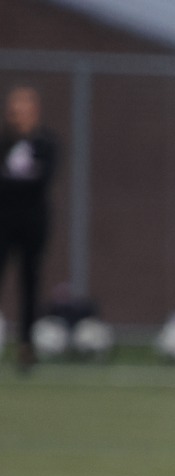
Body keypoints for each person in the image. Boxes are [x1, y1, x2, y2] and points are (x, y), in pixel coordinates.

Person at [0, 86, 58, 374]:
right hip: (3, 221)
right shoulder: (4, 142)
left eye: (23, 110)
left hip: (33, 222)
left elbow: (42, 180)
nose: (17, 115)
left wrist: (13, 180)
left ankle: (26, 347)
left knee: (29, 283)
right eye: (13, 110)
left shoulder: (46, 143)